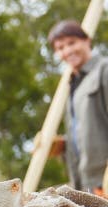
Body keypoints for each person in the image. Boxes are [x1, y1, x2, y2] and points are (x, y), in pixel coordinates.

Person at [48, 19, 108, 193]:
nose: (67, 51)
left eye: (71, 43)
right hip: (86, 184)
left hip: (104, 180)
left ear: (87, 40)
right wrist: (64, 145)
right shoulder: (72, 86)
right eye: (60, 48)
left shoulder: (104, 70)